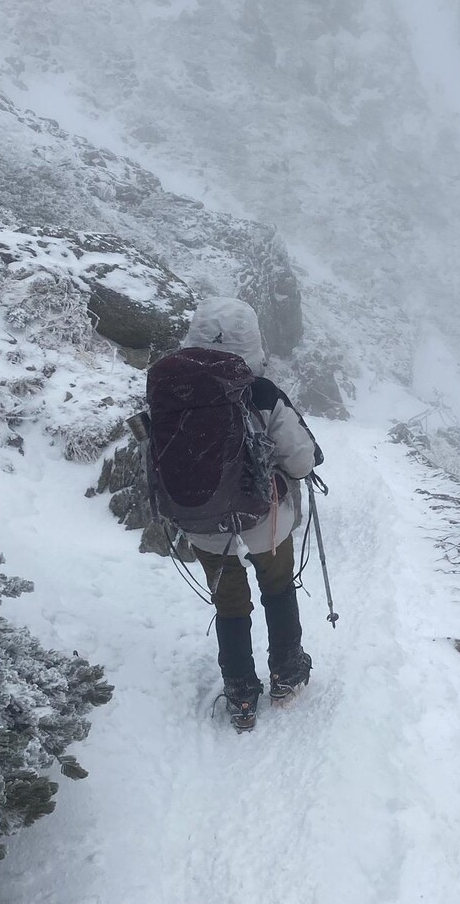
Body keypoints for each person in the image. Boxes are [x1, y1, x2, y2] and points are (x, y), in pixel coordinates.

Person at [171, 298, 322, 730]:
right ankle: (286, 673)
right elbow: (299, 463)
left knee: (230, 603)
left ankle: (239, 690)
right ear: (252, 341)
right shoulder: (261, 393)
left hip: (201, 523)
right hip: (264, 522)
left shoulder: (170, 390)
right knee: (277, 588)